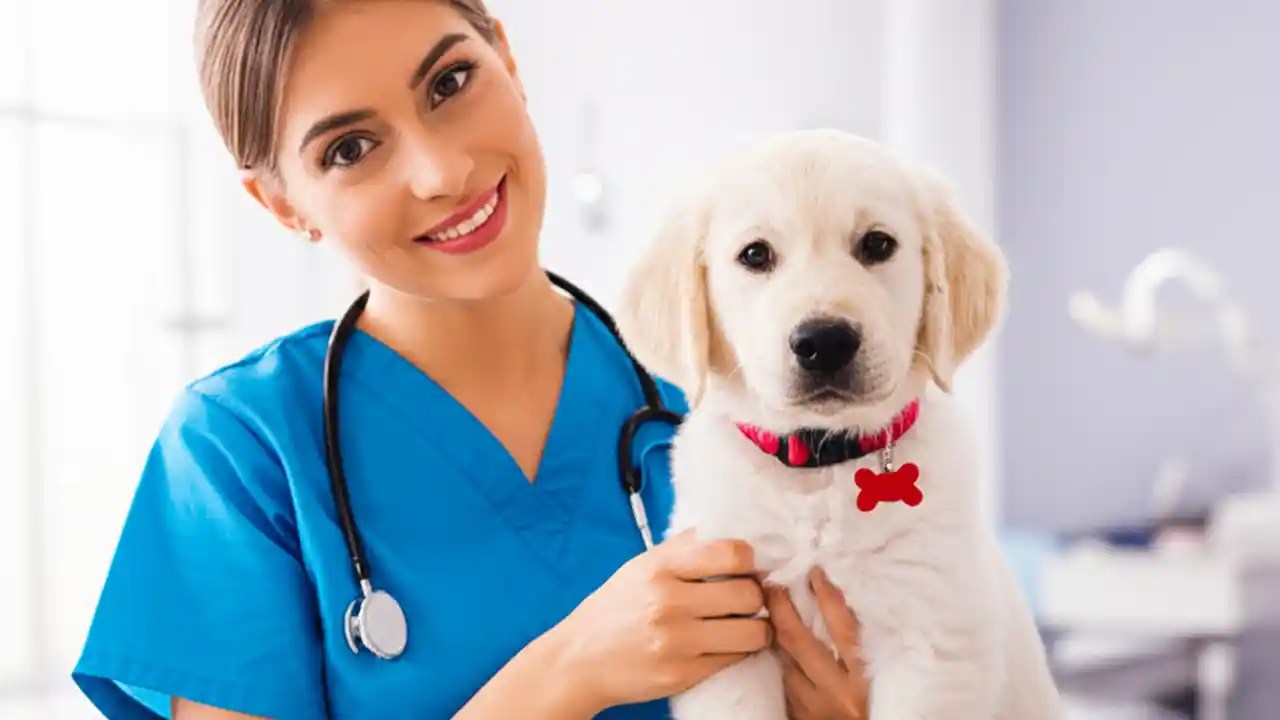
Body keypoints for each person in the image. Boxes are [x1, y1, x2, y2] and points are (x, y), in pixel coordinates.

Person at [71, 1, 870, 718]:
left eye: (450, 82)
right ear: (281, 204)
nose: (441, 173)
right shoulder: (240, 452)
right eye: (351, 148)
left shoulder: (733, 400)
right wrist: (567, 672)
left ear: (508, 63)